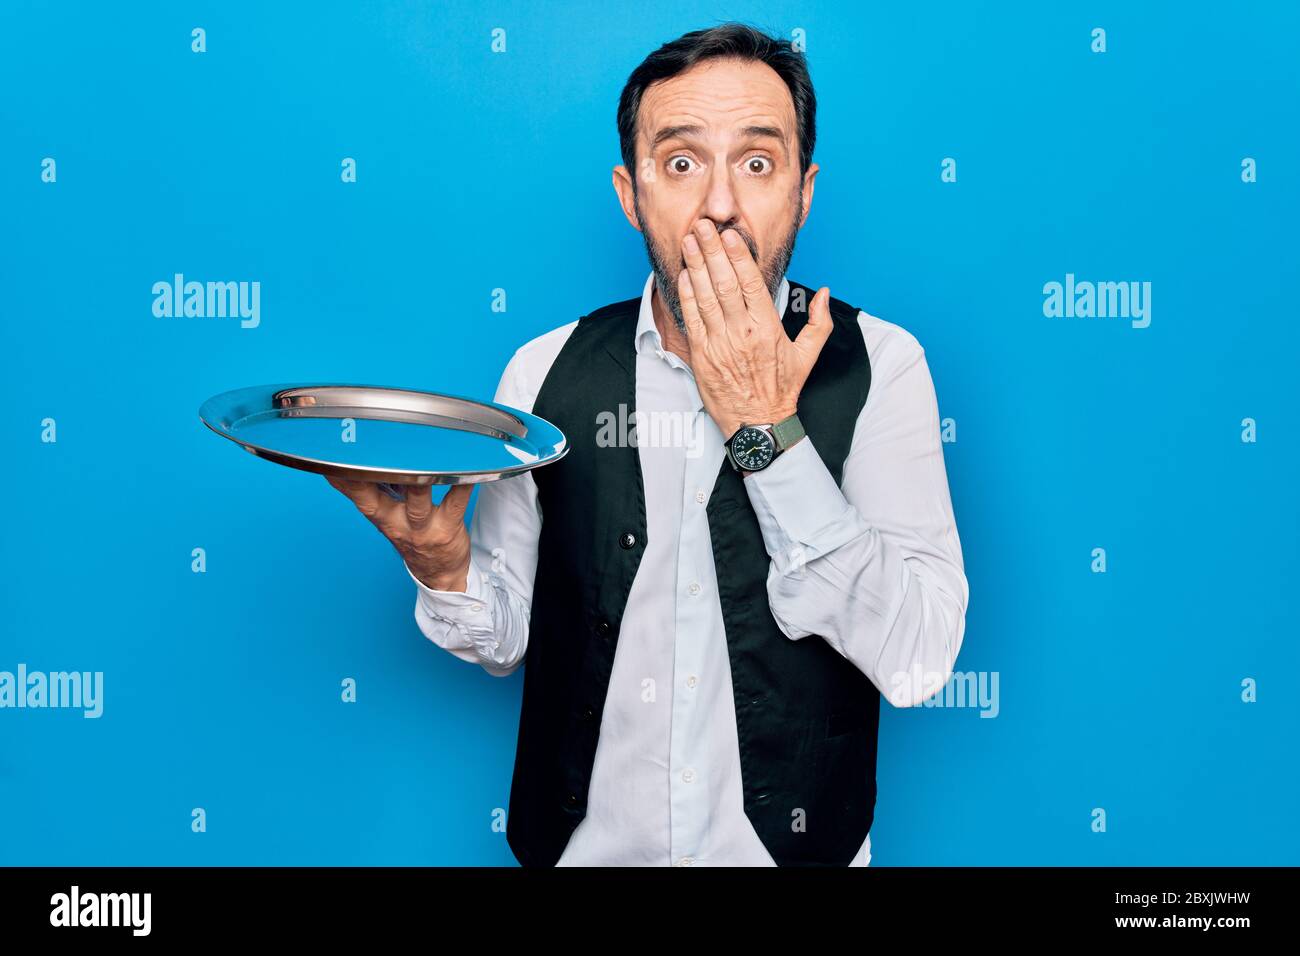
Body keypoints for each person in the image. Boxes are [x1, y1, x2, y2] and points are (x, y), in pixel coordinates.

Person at [327, 22, 968, 867]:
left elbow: (919, 659)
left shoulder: (882, 365)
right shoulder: (544, 369)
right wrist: (445, 570)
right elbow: (507, 636)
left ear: (805, 191)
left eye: (757, 161)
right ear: (630, 195)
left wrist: (765, 430)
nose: (720, 205)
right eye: (680, 162)